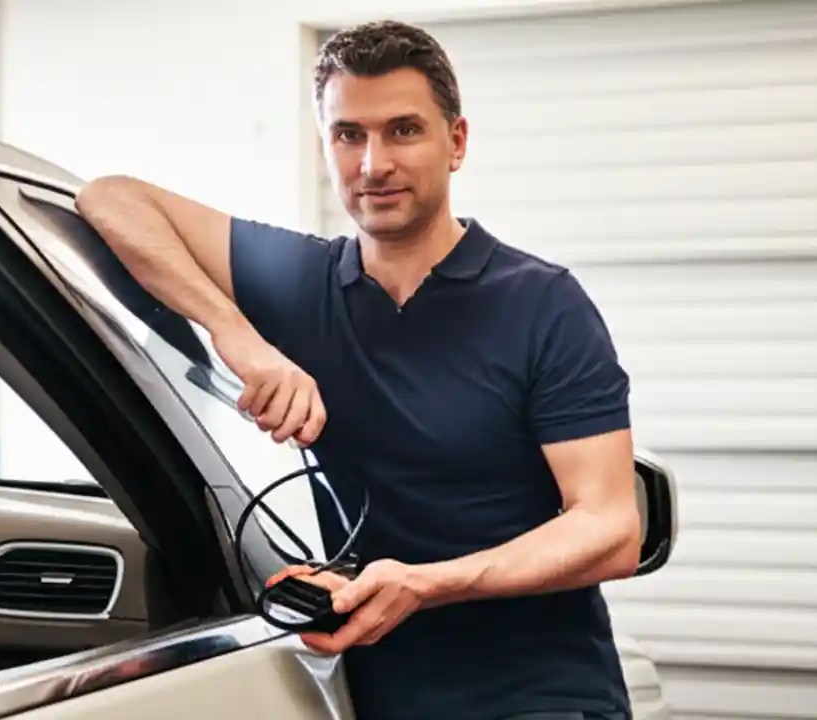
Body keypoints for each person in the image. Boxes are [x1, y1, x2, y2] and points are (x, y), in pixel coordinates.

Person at [75, 19, 641, 720]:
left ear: (455, 142)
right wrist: (240, 338)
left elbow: (612, 528)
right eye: (349, 135)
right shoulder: (297, 280)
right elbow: (109, 199)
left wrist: (426, 584)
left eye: (403, 130)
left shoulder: (541, 303)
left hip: (541, 696)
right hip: (377, 697)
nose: (373, 164)